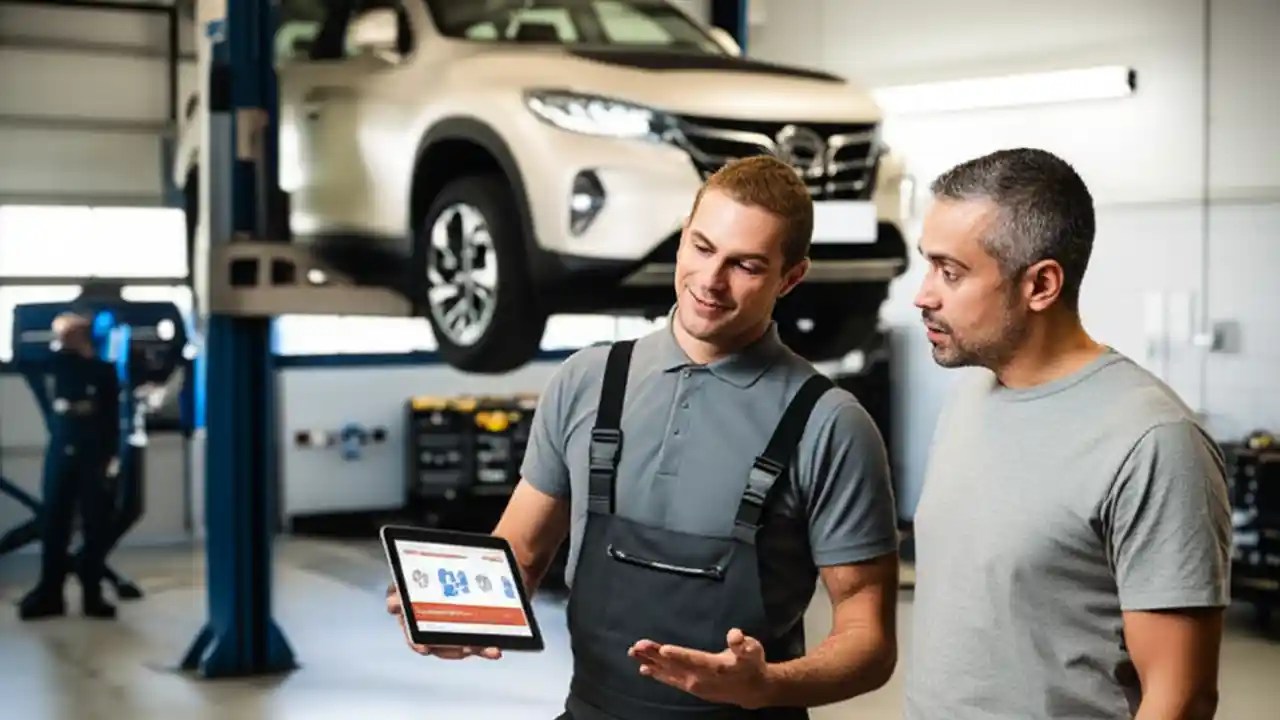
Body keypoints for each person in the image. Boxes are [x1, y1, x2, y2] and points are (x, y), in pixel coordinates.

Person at [387, 155, 901, 719]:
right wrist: (458, 615)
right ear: (682, 239)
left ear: (790, 277)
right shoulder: (588, 380)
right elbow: (523, 554)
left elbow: (868, 637)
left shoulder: (829, 424)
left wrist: (769, 685)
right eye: (702, 248)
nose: (711, 280)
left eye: (746, 265)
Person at [905, 148, 1232, 719]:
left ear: (1041, 285)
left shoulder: (1153, 442)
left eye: (950, 271)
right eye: (926, 264)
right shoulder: (970, 397)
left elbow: (1180, 697)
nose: (924, 295)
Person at [19, 312, 121, 620]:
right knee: (55, 522)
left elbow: (111, 419)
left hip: (92, 450)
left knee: (95, 523)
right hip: (62, 446)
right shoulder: (55, 363)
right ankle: (51, 593)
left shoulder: (103, 371)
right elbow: (22, 356)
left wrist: (109, 458)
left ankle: (92, 595)